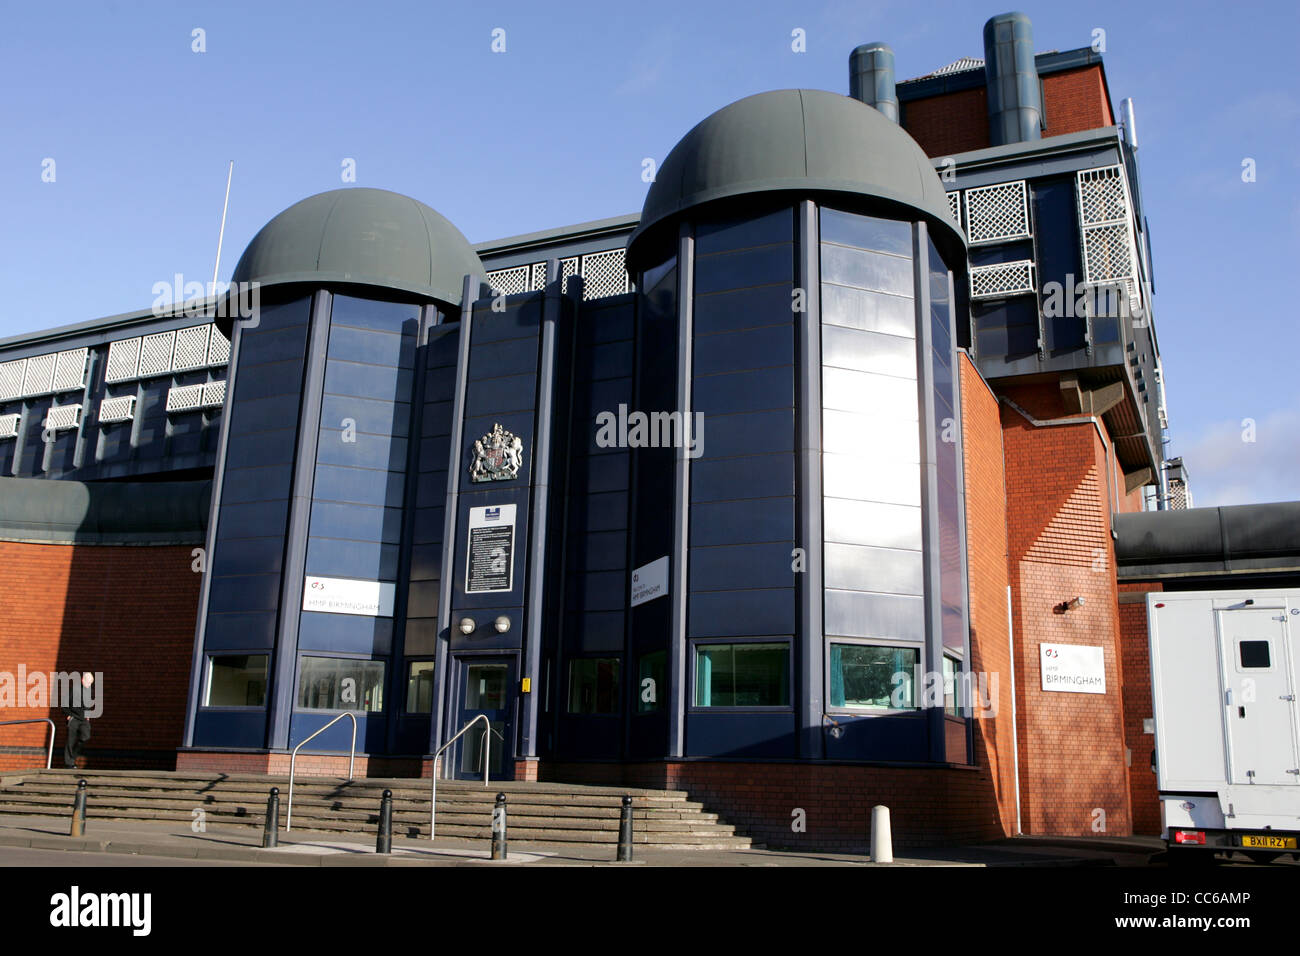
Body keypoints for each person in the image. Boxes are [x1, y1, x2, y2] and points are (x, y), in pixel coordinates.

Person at [63, 672, 95, 770]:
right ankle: (69, 763)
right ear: (82, 680)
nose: (89, 685)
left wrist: (88, 715)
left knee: (85, 737)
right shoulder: (75, 690)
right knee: (71, 741)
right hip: (74, 718)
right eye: (87, 682)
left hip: (84, 720)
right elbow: (65, 703)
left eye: (90, 683)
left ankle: (73, 757)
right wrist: (68, 715)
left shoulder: (90, 691)